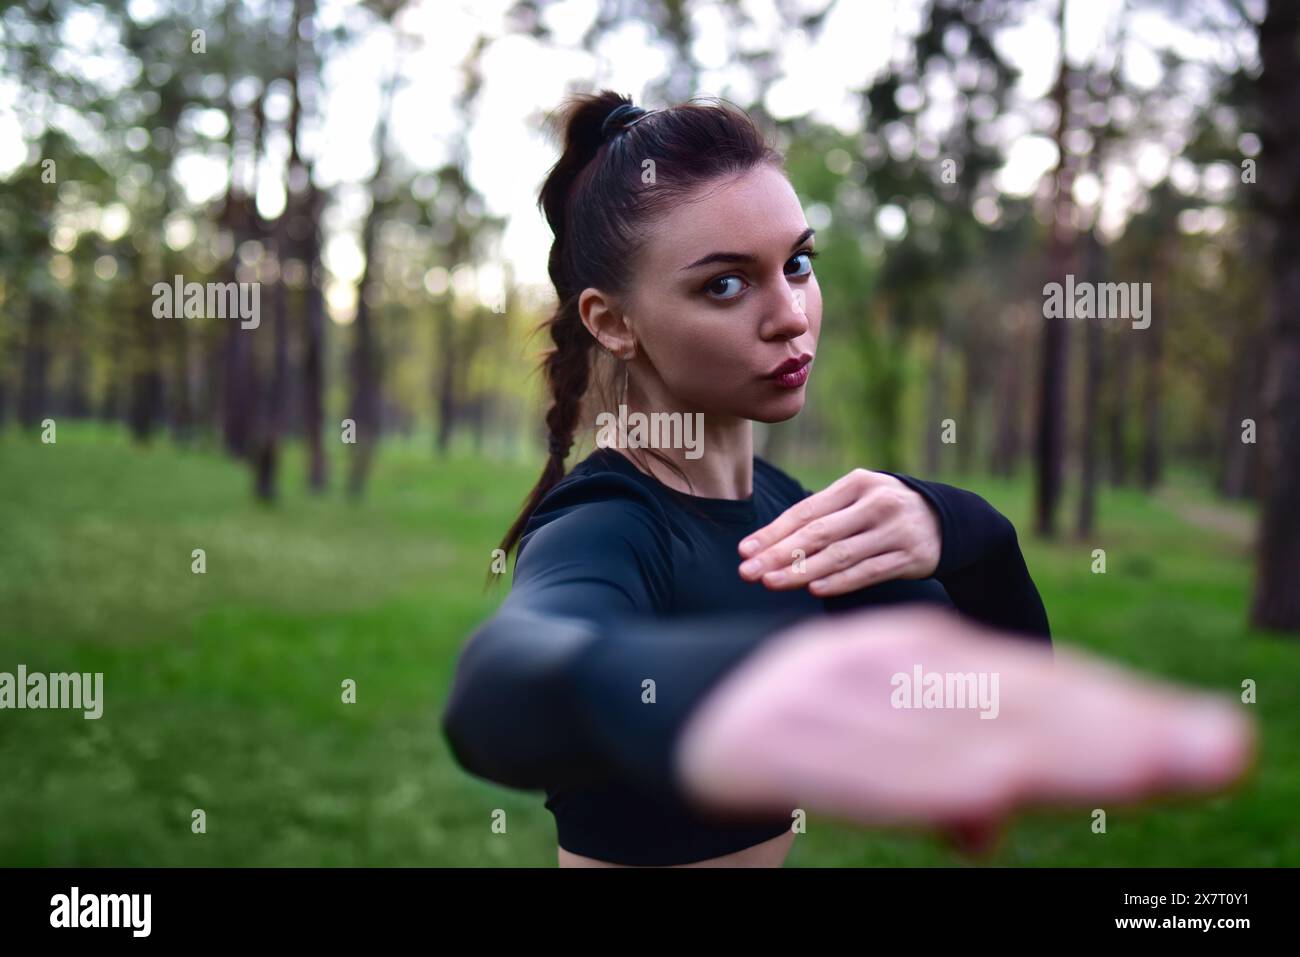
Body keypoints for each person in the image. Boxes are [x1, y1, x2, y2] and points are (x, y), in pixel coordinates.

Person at [440, 91, 1254, 868]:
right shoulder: (609, 523)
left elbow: (999, 699)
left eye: (797, 263)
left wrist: (964, 529)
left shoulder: (792, 516)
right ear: (612, 322)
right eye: (724, 283)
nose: (790, 313)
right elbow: (502, 684)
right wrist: (732, 688)